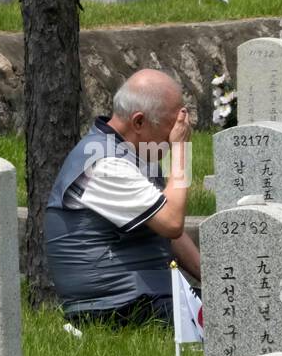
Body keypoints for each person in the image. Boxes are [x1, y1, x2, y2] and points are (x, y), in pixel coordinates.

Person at [45, 69, 201, 324]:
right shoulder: (105, 164)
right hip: (111, 306)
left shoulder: (134, 152)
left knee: (232, 305)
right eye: (172, 127)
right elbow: (172, 222)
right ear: (138, 122)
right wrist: (182, 151)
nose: (177, 134)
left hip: (142, 296)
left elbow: (166, 228)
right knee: (232, 324)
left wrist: (216, 283)